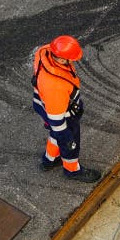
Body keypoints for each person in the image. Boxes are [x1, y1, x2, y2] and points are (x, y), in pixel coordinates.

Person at [32, 35, 101, 183]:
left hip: (45, 106)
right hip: (62, 114)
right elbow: (57, 121)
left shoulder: (44, 52)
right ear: (62, 60)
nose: (74, 62)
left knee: (54, 135)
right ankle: (72, 170)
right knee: (68, 141)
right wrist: (66, 137)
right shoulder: (56, 86)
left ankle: (49, 160)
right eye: (72, 59)